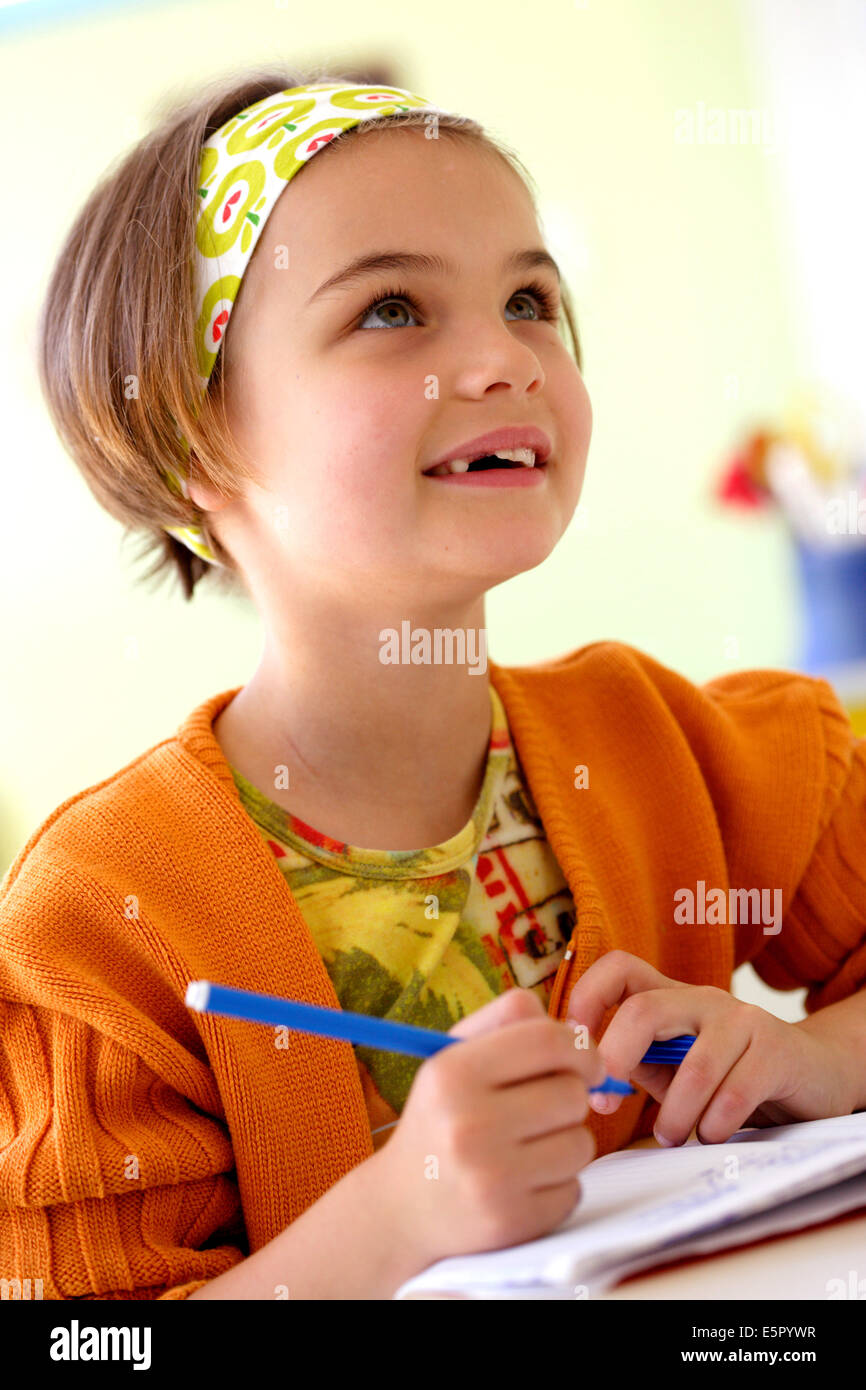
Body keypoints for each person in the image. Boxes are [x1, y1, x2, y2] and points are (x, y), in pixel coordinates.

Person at [2, 65, 864, 1302]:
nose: (505, 358)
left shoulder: (671, 740)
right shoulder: (97, 928)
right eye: (392, 310)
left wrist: (811, 1055)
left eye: (528, 297)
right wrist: (392, 1222)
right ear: (193, 438)